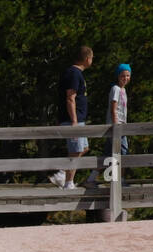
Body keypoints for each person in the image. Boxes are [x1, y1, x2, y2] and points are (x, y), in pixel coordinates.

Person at [50, 46, 92, 189]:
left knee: (84, 148)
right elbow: (70, 97)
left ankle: (62, 173)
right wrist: (73, 121)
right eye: (91, 58)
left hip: (78, 119)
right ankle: (68, 182)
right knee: (75, 150)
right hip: (74, 120)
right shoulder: (74, 73)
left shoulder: (75, 73)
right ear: (87, 58)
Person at [87, 64, 131, 187]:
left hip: (121, 125)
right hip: (116, 126)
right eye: (123, 75)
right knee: (123, 152)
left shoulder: (124, 90)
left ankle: (91, 179)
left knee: (107, 154)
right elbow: (114, 107)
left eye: (128, 76)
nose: (125, 78)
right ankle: (120, 180)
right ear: (118, 76)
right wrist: (116, 124)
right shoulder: (116, 89)